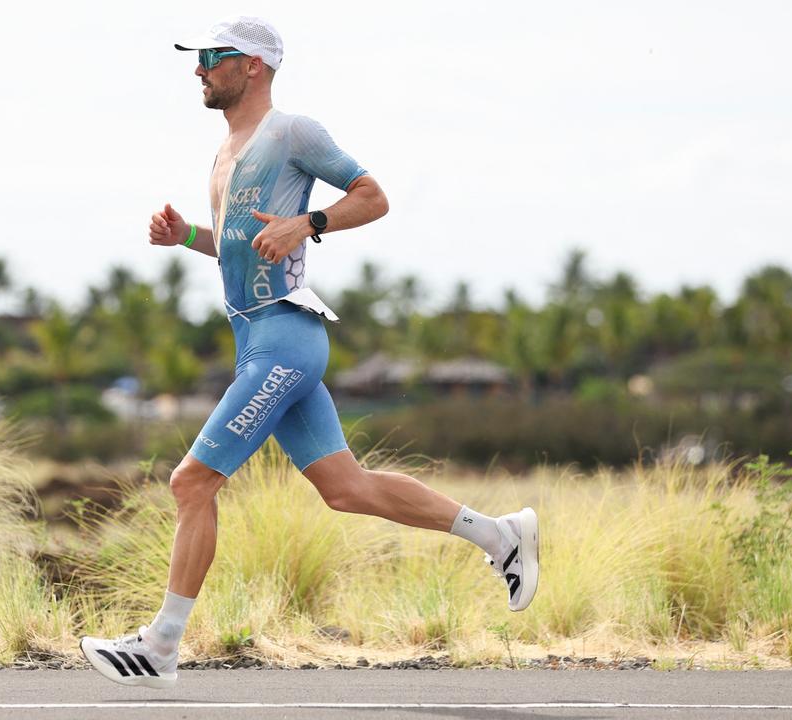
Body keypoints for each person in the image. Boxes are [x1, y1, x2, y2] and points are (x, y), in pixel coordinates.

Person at [80, 16, 539, 689]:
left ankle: (162, 645)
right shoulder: (226, 150)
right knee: (347, 490)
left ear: (254, 65)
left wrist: (309, 222)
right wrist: (187, 237)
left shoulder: (293, 132)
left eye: (212, 56)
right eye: (198, 57)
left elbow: (372, 197)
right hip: (259, 344)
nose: (198, 68)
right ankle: (501, 536)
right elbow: (244, 246)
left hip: (286, 342)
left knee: (191, 482)